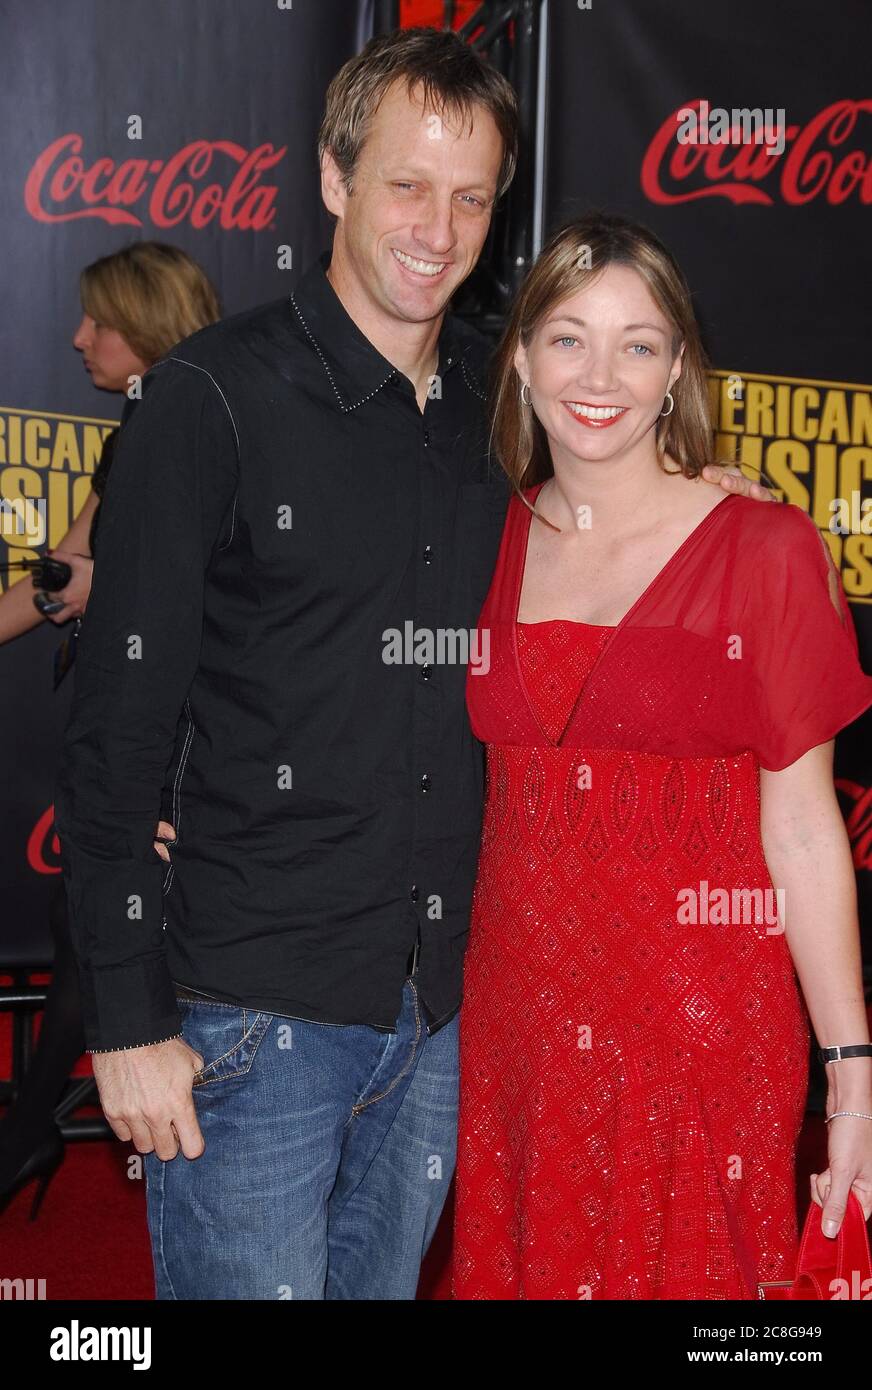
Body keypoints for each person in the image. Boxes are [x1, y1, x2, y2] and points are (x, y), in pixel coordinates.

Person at [53, 30, 766, 1301]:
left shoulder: (504, 404)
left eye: (472, 196)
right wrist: (126, 1018)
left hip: (443, 1018)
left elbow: (607, 489)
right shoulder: (210, 401)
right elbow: (115, 726)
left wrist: (698, 498)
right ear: (332, 180)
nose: (437, 227)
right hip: (249, 1013)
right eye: (405, 184)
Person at [451, 213, 872, 1300]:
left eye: (637, 344)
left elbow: (801, 824)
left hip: (697, 1031)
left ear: (677, 366)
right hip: (517, 1025)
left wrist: (851, 1072)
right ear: (518, 354)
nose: (600, 376)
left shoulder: (764, 549)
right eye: (567, 338)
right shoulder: (480, 531)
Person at [0, 242, 219, 1217]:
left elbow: (191, 593)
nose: (79, 337)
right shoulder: (139, 428)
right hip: (122, 724)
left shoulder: (190, 427)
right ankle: (29, 1127)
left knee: (109, 931)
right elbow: (66, 568)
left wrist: (85, 589)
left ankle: (28, 1130)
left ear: (147, 326)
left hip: (172, 735)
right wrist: (69, 591)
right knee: (84, 925)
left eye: (100, 320)